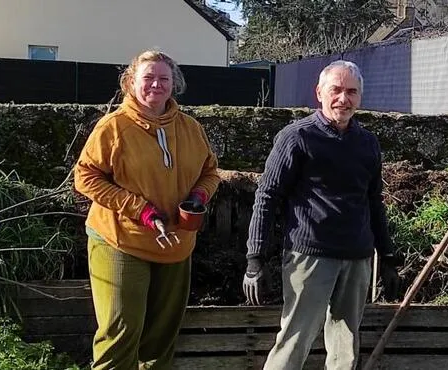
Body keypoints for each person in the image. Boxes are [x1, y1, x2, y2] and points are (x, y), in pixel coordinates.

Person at [243, 60, 401, 370]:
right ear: (319, 93)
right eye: (336, 90)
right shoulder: (297, 138)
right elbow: (267, 196)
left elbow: (374, 201)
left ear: (360, 97)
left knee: (346, 347)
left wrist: (389, 257)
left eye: (352, 92)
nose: (344, 99)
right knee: (295, 340)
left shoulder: (367, 143)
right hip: (310, 257)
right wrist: (254, 258)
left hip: (356, 259)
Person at [73, 50, 221, 369]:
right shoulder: (113, 127)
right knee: (120, 332)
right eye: (148, 78)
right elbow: (85, 177)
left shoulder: (191, 128)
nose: (156, 84)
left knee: (161, 338)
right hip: (120, 240)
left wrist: (198, 196)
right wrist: (139, 209)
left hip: (175, 245)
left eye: (163, 79)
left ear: (174, 84)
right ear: (131, 83)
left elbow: (210, 172)